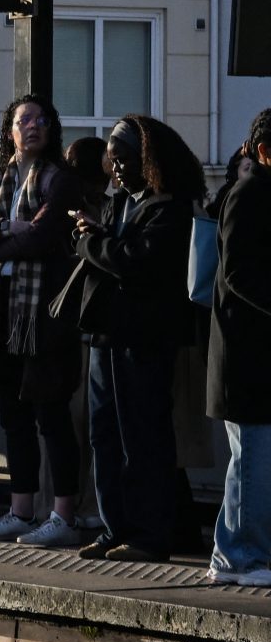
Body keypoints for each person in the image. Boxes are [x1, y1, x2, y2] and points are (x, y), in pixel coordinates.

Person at [70, 114, 204, 562]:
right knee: (103, 434)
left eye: (126, 159)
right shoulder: (117, 204)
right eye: (113, 160)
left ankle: (149, 535)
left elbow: (136, 260)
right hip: (106, 334)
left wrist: (90, 243)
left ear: (148, 159)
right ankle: (115, 527)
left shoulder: (169, 206)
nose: (118, 168)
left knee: (141, 436)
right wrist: (97, 236)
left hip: (144, 337)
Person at [0, 96, 86, 547]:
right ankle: (21, 510)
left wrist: (0, 236)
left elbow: (45, 236)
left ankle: (64, 515)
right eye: (22, 119)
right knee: (13, 418)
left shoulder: (61, 181)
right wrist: (6, 229)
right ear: (9, 130)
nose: (33, 125)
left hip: (43, 314)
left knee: (50, 415)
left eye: (41, 119)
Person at [207, 109, 271, 586]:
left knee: (251, 456)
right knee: (250, 456)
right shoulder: (249, 194)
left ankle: (235, 554)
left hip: (252, 350)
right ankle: (237, 557)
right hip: (244, 351)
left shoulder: (255, 191)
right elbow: (238, 273)